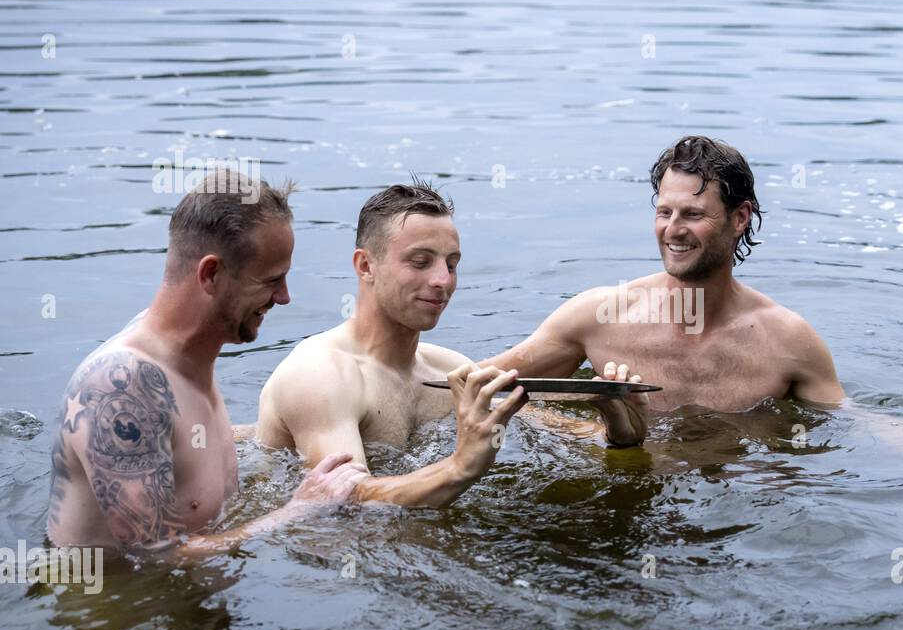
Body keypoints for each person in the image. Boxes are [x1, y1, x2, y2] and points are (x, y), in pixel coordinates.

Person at [254, 179, 644, 506]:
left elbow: (562, 432)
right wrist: (460, 467)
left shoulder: (449, 372)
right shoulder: (320, 374)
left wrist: (618, 428)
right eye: (421, 262)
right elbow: (345, 501)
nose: (443, 280)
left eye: (452, 263)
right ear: (365, 265)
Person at [46, 170, 367, 557]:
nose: (284, 298)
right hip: (117, 613)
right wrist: (296, 512)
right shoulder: (124, 385)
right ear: (211, 274)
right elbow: (156, 558)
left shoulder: (191, 358)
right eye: (271, 280)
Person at [485, 135, 844, 417]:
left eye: (692, 214)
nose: (673, 230)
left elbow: (849, 424)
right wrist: (594, 435)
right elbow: (475, 387)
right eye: (664, 212)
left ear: (740, 218)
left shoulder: (789, 341)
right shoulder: (597, 316)